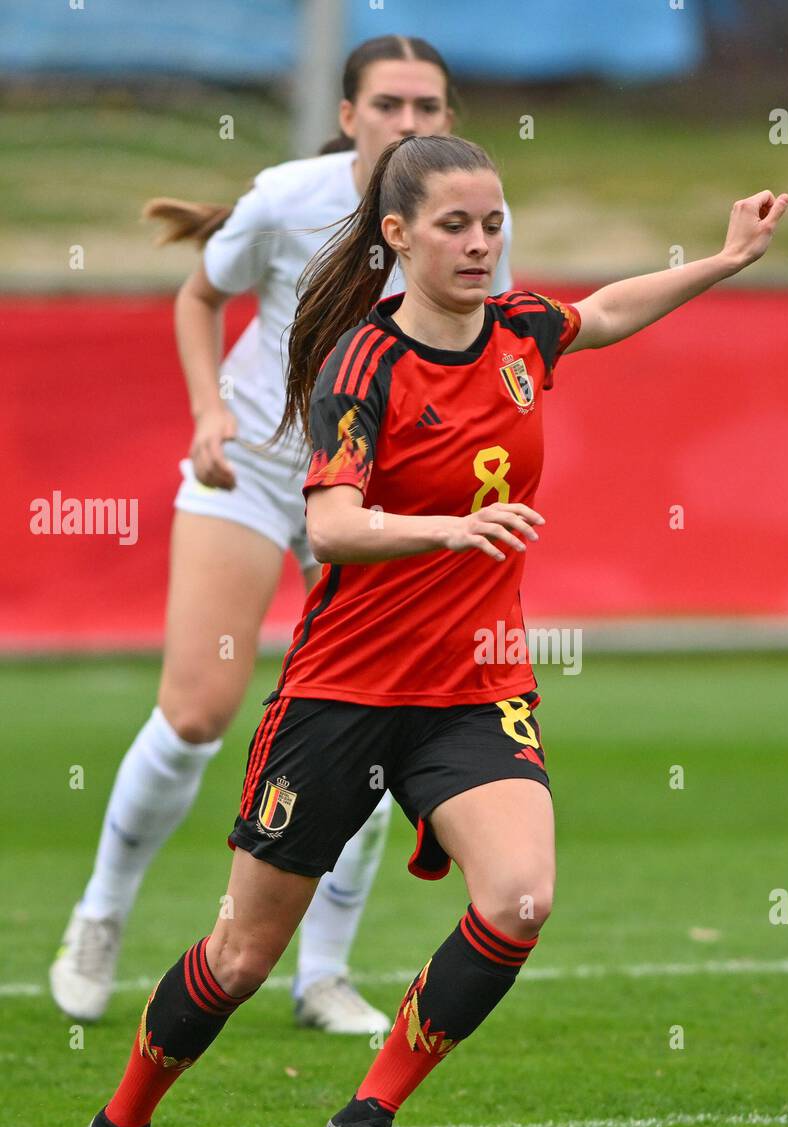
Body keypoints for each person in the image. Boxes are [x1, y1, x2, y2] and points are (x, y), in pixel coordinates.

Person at [72, 133, 788, 1127]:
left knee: (518, 899)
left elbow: (598, 314)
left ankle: (365, 1116)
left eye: (492, 222)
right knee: (242, 954)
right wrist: (450, 528)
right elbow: (333, 524)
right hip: (343, 692)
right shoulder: (363, 363)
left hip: (472, 686)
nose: (479, 242)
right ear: (397, 236)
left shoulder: (517, 334)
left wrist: (724, 260)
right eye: (455, 224)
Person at [50, 36, 513, 1035]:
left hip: (370, 496)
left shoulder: (468, 225)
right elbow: (199, 294)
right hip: (257, 471)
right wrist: (209, 411)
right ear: (347, 116)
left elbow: (477, 360)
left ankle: (324, 975)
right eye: (388, 105)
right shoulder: (283, 199)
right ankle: (99, 914)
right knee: (196, 712)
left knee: (378, 718)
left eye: (428, 107)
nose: (410, 124)